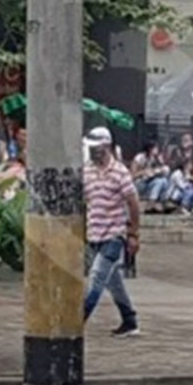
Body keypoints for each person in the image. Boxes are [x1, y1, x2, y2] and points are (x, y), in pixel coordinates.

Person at [81, 126, 141, 337]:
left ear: (105, 147)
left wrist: (133, 233)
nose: (92, 152)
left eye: (95, 148)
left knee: (97, 277)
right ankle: (130, 320)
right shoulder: (86, 170)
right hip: (93, 234)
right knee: (113, 283)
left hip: (114, 235)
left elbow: (133, 203)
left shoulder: (119, 172)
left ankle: (79, 320)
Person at [130, 141, 171, 212]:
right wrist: (144, 172)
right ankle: (151, 204)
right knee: (159, 182)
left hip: (151, 184)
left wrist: (160, 167)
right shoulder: (140, 157)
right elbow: (132, 175)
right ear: (150, 149)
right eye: (156, 148)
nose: (158, 150)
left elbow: (162, 170)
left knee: (163, 180)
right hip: (139, 184)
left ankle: (164, 203)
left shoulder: (156, 159)